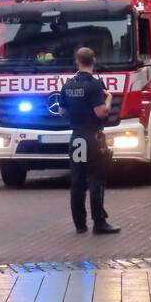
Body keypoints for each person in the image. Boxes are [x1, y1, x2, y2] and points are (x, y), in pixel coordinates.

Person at [58, 47, 119, 234]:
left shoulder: (68, 85)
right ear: (93, 60)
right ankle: (99, 223)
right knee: (96, 180)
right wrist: (109, 98)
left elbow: (62, 112)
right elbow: (101, 112)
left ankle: (79, 224)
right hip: (93, 137)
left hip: (76, 138)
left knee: (77, 181)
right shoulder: (94, 85)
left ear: (77, 61)